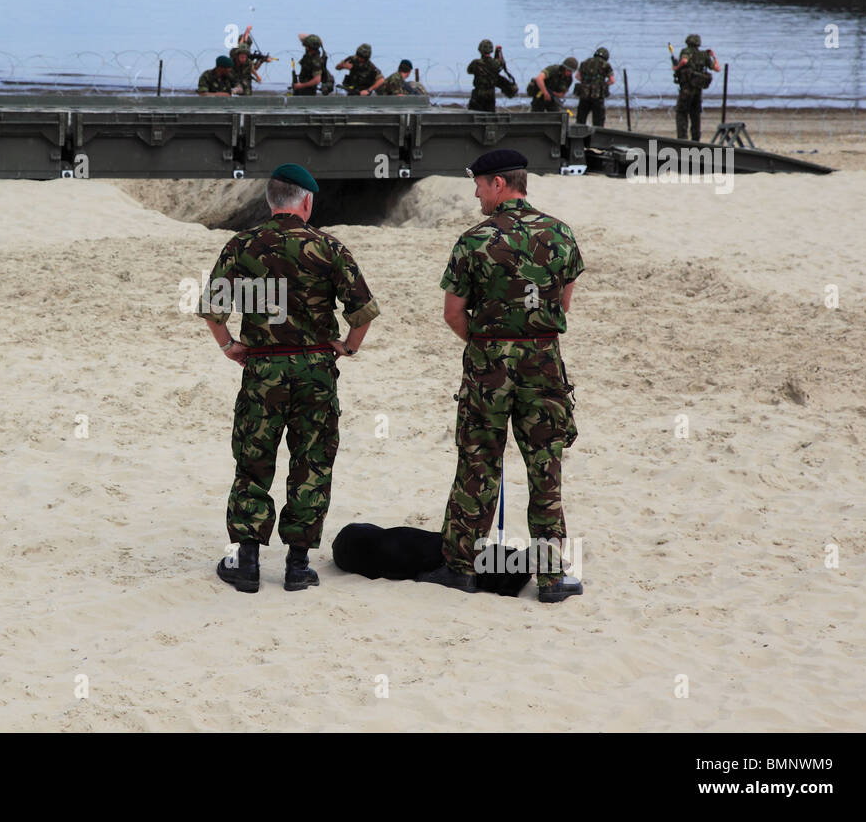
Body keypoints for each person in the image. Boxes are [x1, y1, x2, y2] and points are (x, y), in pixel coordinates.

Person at [200, 162, 380, 593]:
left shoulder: (242, 245)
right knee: (312, 461)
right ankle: (298, 564)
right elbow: (363, 312)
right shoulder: (329, 248)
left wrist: (229, 346)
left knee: (253, 461)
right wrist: (347, 347)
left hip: (262, 369)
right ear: (307, 201)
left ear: (270, 200)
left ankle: (247, 561)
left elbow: (212, 309)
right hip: (315, 370)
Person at [419, 148, 584, 603]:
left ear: (498, 184)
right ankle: (551, 576)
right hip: (544, 364)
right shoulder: (561, 234)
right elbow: (563, 306)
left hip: (489, 366)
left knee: (477, 462)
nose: (475, 193)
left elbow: (453, 313)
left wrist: (487, 340)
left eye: (479, 184)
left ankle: (460, 568)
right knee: (544, 467)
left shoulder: (475, 240)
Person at [673, 34, 720, 141]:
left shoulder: (686, 51)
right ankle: (696, 139)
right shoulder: (704, 55)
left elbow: (684, 61)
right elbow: (717, 68)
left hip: (687, 87)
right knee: (695, 114)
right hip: (698, 88)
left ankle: (682, 138)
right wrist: (713, 56)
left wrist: (676, 67)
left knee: (682, 112)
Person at [574, 47, 615, 127]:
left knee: (580, 120)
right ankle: (597, 137)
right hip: (597, 96)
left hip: (584, 95)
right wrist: (604, 84)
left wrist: (586, 82)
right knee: (598, 121)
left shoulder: (585, 62)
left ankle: (579, 136)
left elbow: (577, 76)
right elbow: (612, 80)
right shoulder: (605, 64)